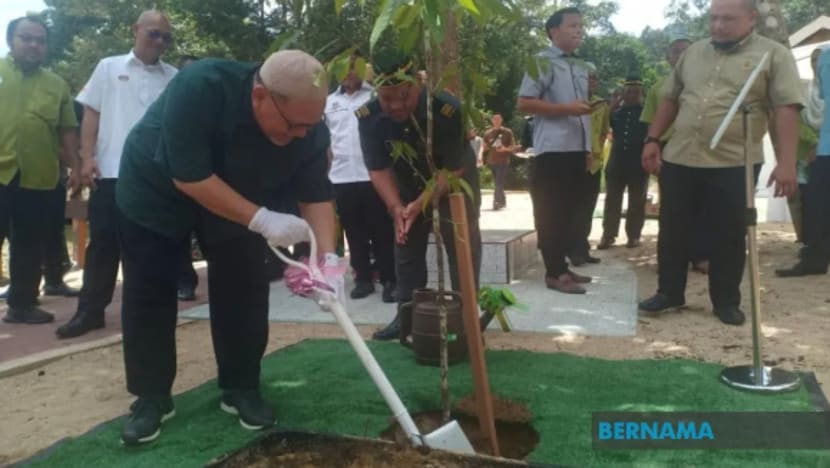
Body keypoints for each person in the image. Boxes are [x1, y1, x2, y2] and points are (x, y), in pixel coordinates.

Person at [115, 50, 337, 445]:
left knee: (244, 283)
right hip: (158, 187)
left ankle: (241, 386)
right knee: (150, 288)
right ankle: (151, 397)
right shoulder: (200, 86)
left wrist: (327, 261)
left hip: (238, 195)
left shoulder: (308, 128)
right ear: (260, 98)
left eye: (311, 124)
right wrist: (264, 220)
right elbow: (190, 176)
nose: (303, 135)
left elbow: (316, 194)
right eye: (294, 126)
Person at [639, 0, 802, 325]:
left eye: (727, 18)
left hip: (734, 161)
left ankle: (726, 301)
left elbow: (787, 108)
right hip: (681, 156)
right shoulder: (694, 51)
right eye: (713, 18)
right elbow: (671, 96)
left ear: (751, 18)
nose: (718, 25)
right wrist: (653, 139)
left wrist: (786, 162)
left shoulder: (774, 55)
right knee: (672, 229)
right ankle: (669, 292)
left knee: (728, 234)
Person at [56, 10, 178, 339]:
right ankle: (90, 311)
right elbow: (91, 113)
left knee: (150, 246)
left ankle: (146, 312)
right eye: (154, 34)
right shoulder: (108, 67)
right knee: (103, 245)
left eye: (166, 37)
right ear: (135, 30)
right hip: (111, 170)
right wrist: (87, 157)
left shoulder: (174, 77)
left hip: (156, 178)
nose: (160, 42)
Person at [358, 50, 482, 341]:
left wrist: (420, 204)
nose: (396, 106)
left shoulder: (446, 109)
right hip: (406, 186)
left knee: (461, 247)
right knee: (405, 247)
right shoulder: (370, 116)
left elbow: (454, 167)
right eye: (387, 98)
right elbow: (378, 168)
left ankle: (466, 319)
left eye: (404, 96)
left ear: (418, 82)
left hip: (453, 184)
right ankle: (407, 317)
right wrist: (397, 207)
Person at [0, 16, 81, 324]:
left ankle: (21, 304)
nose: (34, 45)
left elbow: (67, 130)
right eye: (26, 38)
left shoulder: (56, 85)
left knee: (29, 244)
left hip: (39, 176)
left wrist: (76, 166)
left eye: (40, 40)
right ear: (11, 40)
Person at [516, 7, 594, 294]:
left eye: (581, 26)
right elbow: (524, 102)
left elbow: (581, 112)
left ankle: (561, 266)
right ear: (554, 32)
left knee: (571, 211)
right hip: (553, 150)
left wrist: (588, 149)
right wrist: (566, 109)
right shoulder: (541, 62)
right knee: (552, 212)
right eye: (572, 25)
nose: (579, 31)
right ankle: (554, 273)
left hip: (575, 149)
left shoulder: (578, 65)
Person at [325, 51, 396, 302]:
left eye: (353, 68)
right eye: (344, 69)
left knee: (381, 229)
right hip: (342, 176)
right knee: (353, 231)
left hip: (373, 174)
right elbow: (326, 139)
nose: (348, 74)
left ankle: (389, 279)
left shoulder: (375, 97)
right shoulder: (329, 102)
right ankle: (362, 278)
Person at [776, 46, 830, 277]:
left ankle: (815, 257)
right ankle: (815, 259)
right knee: (817, 205)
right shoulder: (826, 57)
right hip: (825, 148)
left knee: (818, 204)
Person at [597, 77, 649, 250]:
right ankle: (608, 235)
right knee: (612, 200)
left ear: (641, 94)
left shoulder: (646, 112)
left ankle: (633, 235)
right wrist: (614, 104)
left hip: (638, 162)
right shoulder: (617, 112)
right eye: (628, 92)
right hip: (617, 162)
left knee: (637, 201)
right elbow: (604, 123)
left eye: (635, 92)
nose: (631, 95)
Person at [568, 65, 608, 266]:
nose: (591, 83)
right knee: (573, 206)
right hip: (575, 159)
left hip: (594, 163)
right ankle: (572, 250)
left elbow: (603, 131)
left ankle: (583, 249)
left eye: (594, 79)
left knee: (588, 207)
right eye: (587, 79)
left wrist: (597, 150)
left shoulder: (601, 104)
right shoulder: (571, 102)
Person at [482, 113, 518, 210]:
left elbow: (513, 147)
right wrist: (484, 150)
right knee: (498, 182)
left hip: (503, 161)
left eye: (498, 119)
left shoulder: (507, 132)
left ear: (501, 120)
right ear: (492, 121)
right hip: (491, 161)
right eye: (494, 119)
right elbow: (484, 147)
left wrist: (504, 149)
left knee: (498, 182)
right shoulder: (487, 133)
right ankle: (502, 200)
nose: (496, 121)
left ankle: (496, 202)